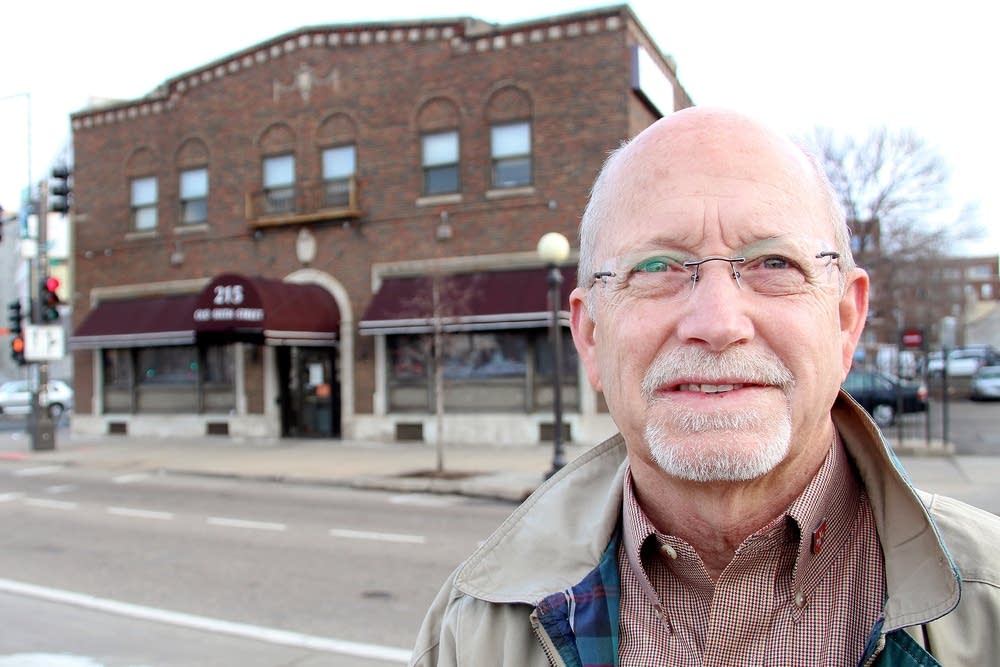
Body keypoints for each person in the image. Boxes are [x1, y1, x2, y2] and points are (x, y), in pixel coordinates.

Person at [410, 107, 1000, 666]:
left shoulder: (988, 603)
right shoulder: (471, 631)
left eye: (773, 263)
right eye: (657, 267)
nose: (718, 324)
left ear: (845, 319)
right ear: (590, 334)